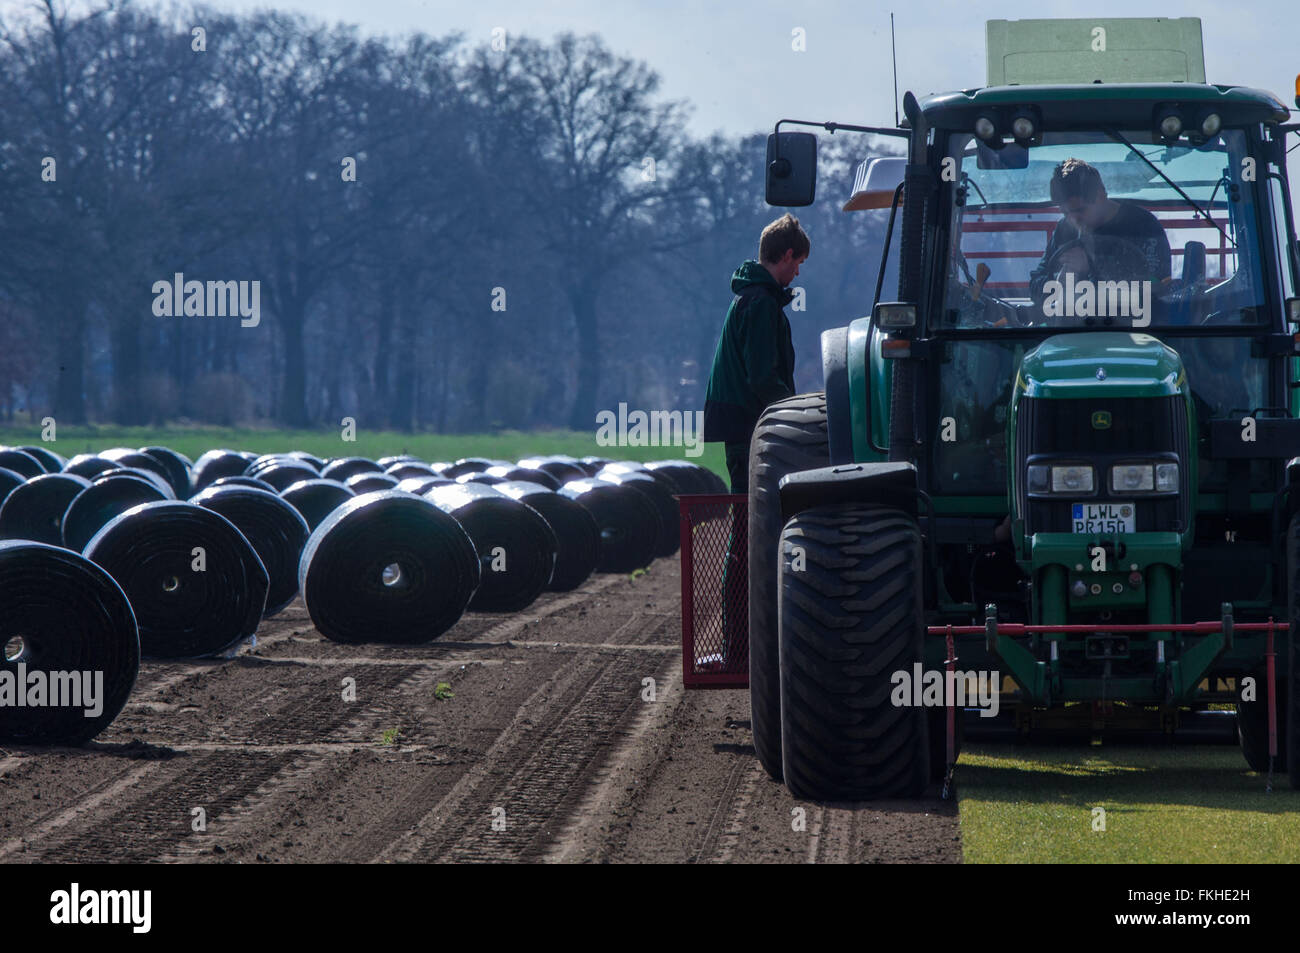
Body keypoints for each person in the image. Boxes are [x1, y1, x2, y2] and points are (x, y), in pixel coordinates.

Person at [703, 213, 810, 493]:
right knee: (751, 516)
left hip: (741, 422)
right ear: (787, 255)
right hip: (749, 426)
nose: (797, 273)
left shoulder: (750, 296)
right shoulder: (761, 303)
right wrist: (797, 414)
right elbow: (762, 377)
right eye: (799, 263)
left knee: (746, 514)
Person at [1028, 158, 1172, 308]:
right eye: (1065, 213)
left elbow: (1156, 288)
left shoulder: (1144, 225)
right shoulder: (1064, 229)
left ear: (1101, 195)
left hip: (1133, 324)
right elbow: (1035, 286)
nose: (1073, 220)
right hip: (1073, 325)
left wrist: (1091, 270)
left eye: (1080, 210)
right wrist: (1060, 280)